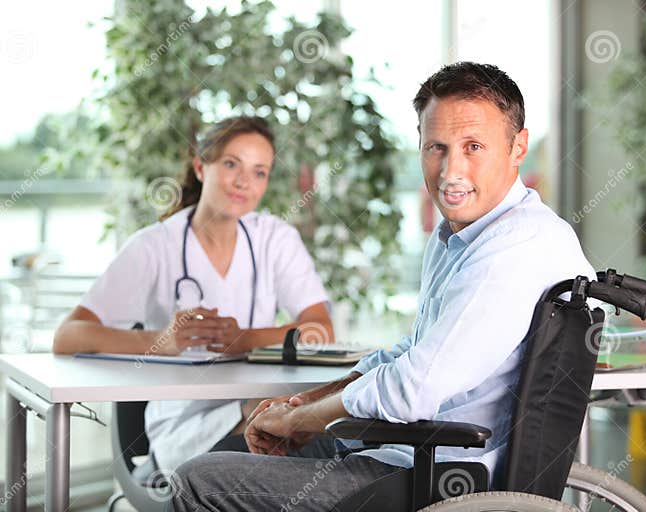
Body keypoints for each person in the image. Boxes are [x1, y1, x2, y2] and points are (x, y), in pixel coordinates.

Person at [169, 62, 596, 511]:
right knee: (230, 457)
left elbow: (414, 388)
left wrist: (302, 419)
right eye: (436, 147)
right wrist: (306, 402)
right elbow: (410, 353)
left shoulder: (514, 247)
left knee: (197, 483)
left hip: (439, 476)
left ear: (517, 147)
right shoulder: (461, 234)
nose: (451, 171)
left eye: (474, 147)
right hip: (403, 452)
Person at [53, 116, 333, 472]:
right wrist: (162, 340)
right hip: (183, 426)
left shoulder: (276, 239)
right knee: (292, 445)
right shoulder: (154, 246)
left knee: (309, 432)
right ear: (201, 167)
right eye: (231, 164)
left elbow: (321, 330)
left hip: (259, 407)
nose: (244, 182)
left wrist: (243, 340)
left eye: (259, 171)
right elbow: (68, 335)